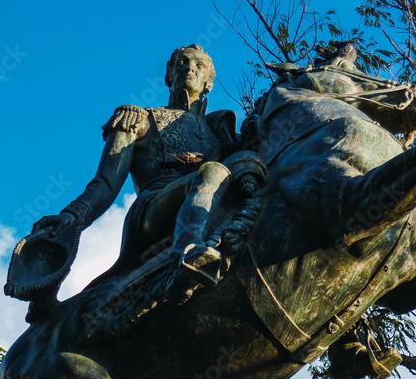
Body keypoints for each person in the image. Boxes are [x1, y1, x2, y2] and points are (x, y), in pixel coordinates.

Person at [25, 44, 258, 303]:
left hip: (209, 203)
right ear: (169, 74)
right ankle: (188, 252)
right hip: (151, 209)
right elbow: (105, 182)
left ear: (209, 83)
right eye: (181, 63)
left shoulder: (222, 131)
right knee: (214, 171)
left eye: (198, 65)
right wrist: (73, 215)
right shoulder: (139, 118)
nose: (189, 68)